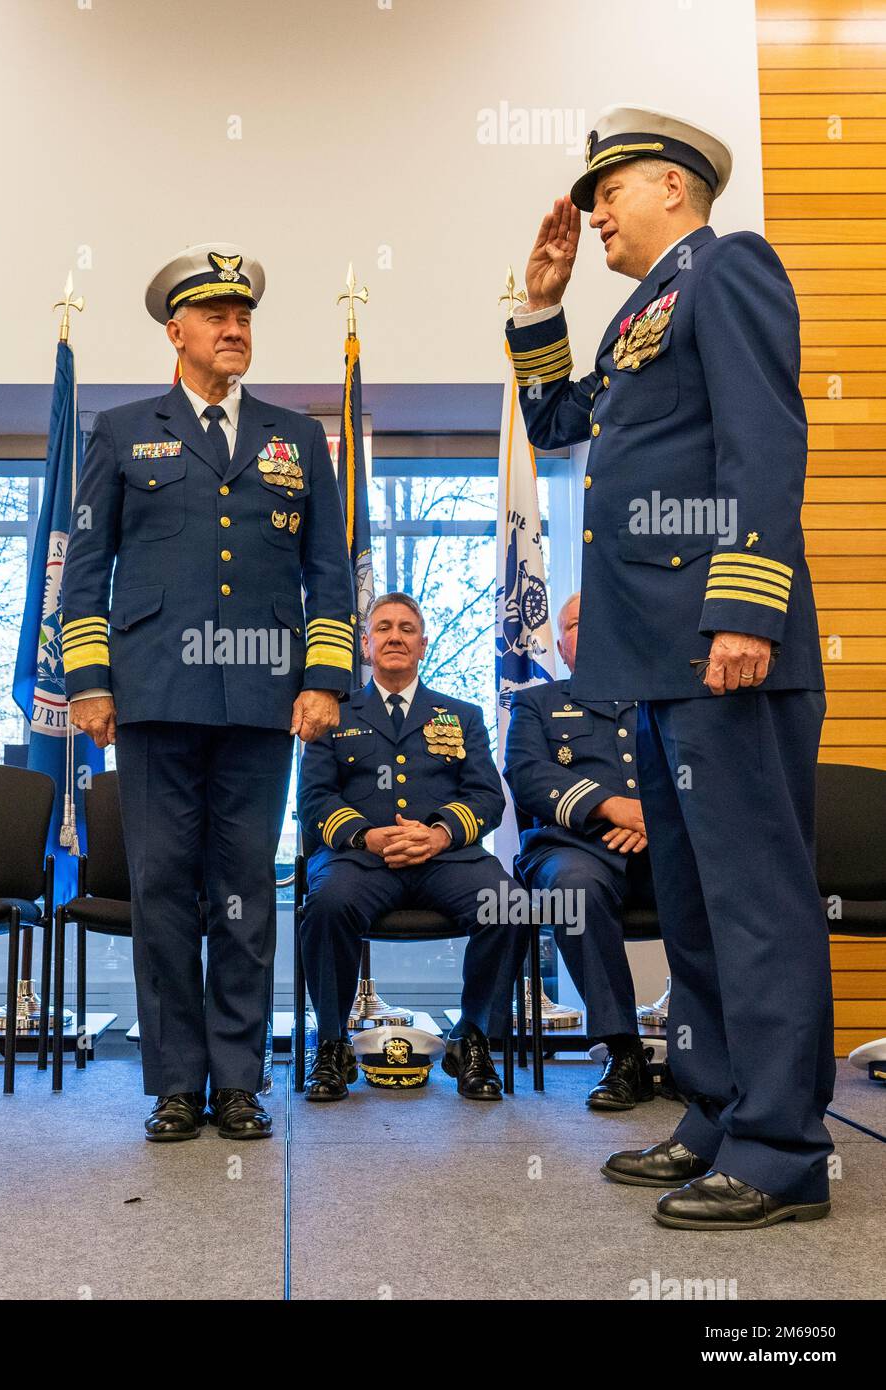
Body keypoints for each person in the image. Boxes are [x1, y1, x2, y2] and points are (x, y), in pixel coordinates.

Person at [507, 106, 833, 1229]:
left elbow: (763, 436)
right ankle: (713, 1110)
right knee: (692, 909)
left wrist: (744, 604)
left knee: (754, 904)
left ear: (672, 189)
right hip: (657, 659)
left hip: (723, 647)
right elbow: (557, 425)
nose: (591, 211)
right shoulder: (635, 315)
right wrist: (541, 305)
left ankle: (783, 1146)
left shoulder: (728, 268)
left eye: (609, 190)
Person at [62, 244, 356, 1142]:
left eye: (245, 316)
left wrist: (325, 678)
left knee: (244, 892)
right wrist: (87, 680)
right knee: (159, 891)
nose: (235, 329)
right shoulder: (120, 431)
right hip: (152, 695)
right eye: (216, 317)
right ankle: (174, 1084)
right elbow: (86, 568)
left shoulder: (296, 436)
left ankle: (238, 1079)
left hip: (263, 702)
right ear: (175, 331)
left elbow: (329, 568)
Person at [297, 594, 523, 1102]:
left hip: (446, 859)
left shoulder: (461, 715)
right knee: (328, 904)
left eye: (406, 628)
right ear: (366, 643)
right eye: (383, 628)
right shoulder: (333, 714)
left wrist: (440, 832)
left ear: (423, 644)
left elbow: (488, 797)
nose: (394, 636)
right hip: (360, 860)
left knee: (508, 906)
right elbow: (312, 798)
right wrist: (365, 835)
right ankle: (332, 1043)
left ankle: (474, 1039)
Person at [504, 590, 654, 1110]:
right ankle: (623, 1051)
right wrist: (611, 806)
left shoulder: (660, 699)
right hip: (571, 847)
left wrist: (652, 819)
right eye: (572, 625)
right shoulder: (534, 702)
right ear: (562, 648)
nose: (585, 632)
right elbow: (525, 776)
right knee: (574, 890)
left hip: (660, 845)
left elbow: (702, 771)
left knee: (719, 878)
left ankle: (711, 1052)